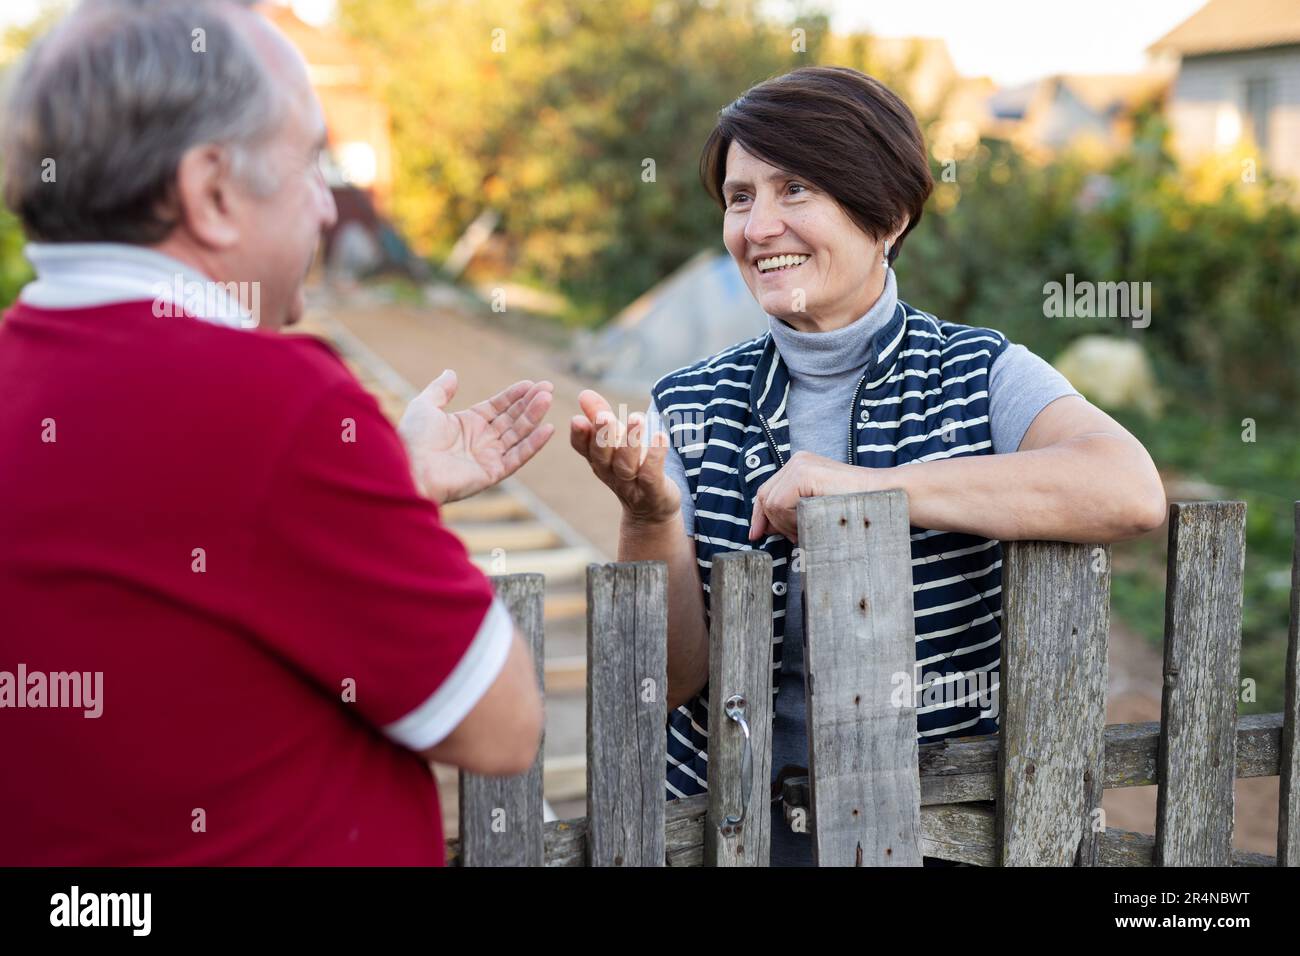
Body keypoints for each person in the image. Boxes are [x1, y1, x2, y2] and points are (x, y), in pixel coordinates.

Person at [569, 66, 1166, 866]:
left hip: (936, 833)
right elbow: (671, 682)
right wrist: (650, 516)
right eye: (740, 198)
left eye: (796, 190)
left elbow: (1127, 489)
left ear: (887, 215)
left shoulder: (979, 372)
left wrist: (869, 489)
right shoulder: (691, 398)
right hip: (728, 829)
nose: (757, 226)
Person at [0, 0, 550, 865]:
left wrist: (387, 483)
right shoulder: (279, 402)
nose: (329, 212)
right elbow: (504, 725)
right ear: (212, 192)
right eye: (310, 166)